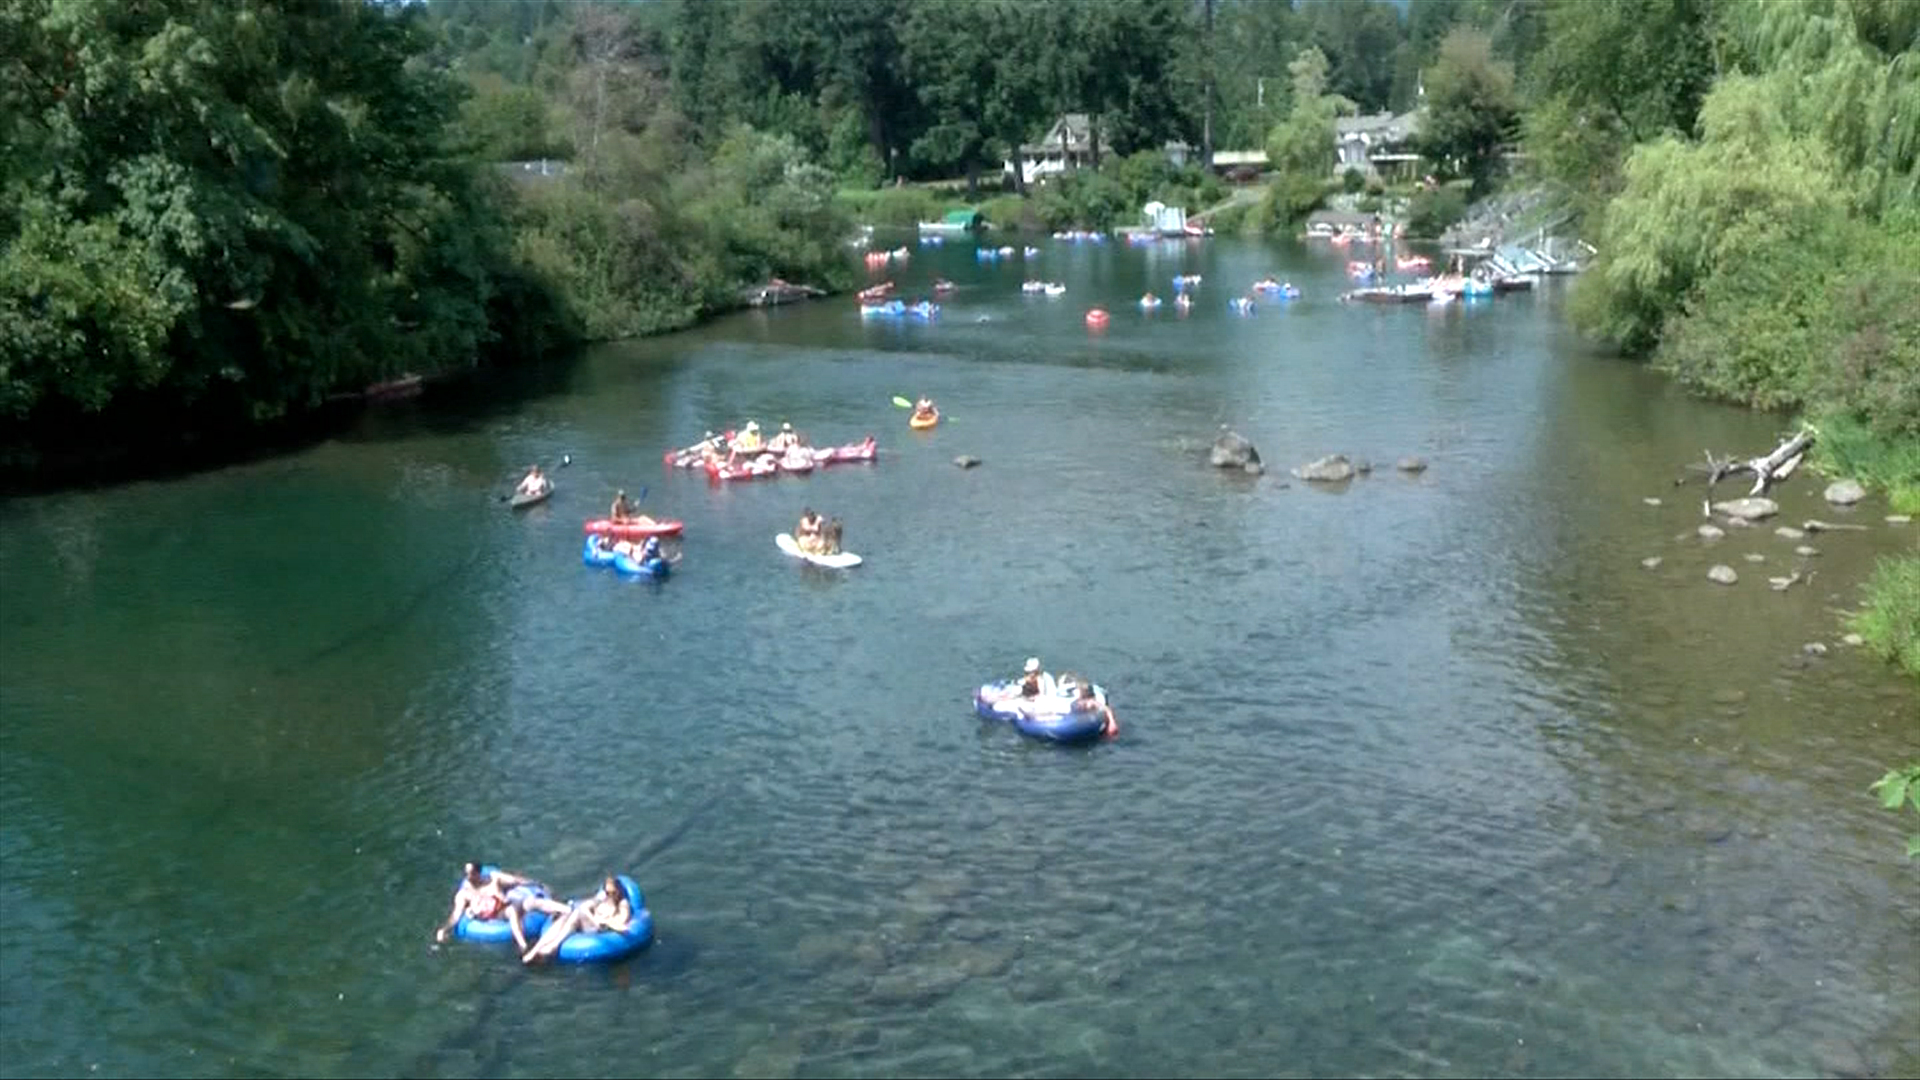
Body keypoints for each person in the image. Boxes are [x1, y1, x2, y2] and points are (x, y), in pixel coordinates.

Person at [434, 862, 569, 953]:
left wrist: (537, 885)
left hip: (506, 906)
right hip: (496, 916)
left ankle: (568, 909)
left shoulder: (493, 880)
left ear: (479, 873)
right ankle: (523, 946)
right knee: (512, 911)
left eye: (471, 873)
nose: (468, 877)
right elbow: (456, 914)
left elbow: (515, 881)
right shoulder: (464, 894)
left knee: (533, 901)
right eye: (467, 873)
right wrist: (444, 929)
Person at [522, 875, 634, 965]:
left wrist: (604, 921)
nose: (610, 895)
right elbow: (585, 906)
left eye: (613, 893)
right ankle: (535, 950)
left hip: (600, 930)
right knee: (566, 916)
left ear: (619, 891)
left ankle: (553, 946)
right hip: (591, 922)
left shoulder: (623, 904)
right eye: (607, 892)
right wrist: (594, 918)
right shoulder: (602, 898)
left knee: (576, 913)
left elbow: (622, 922)